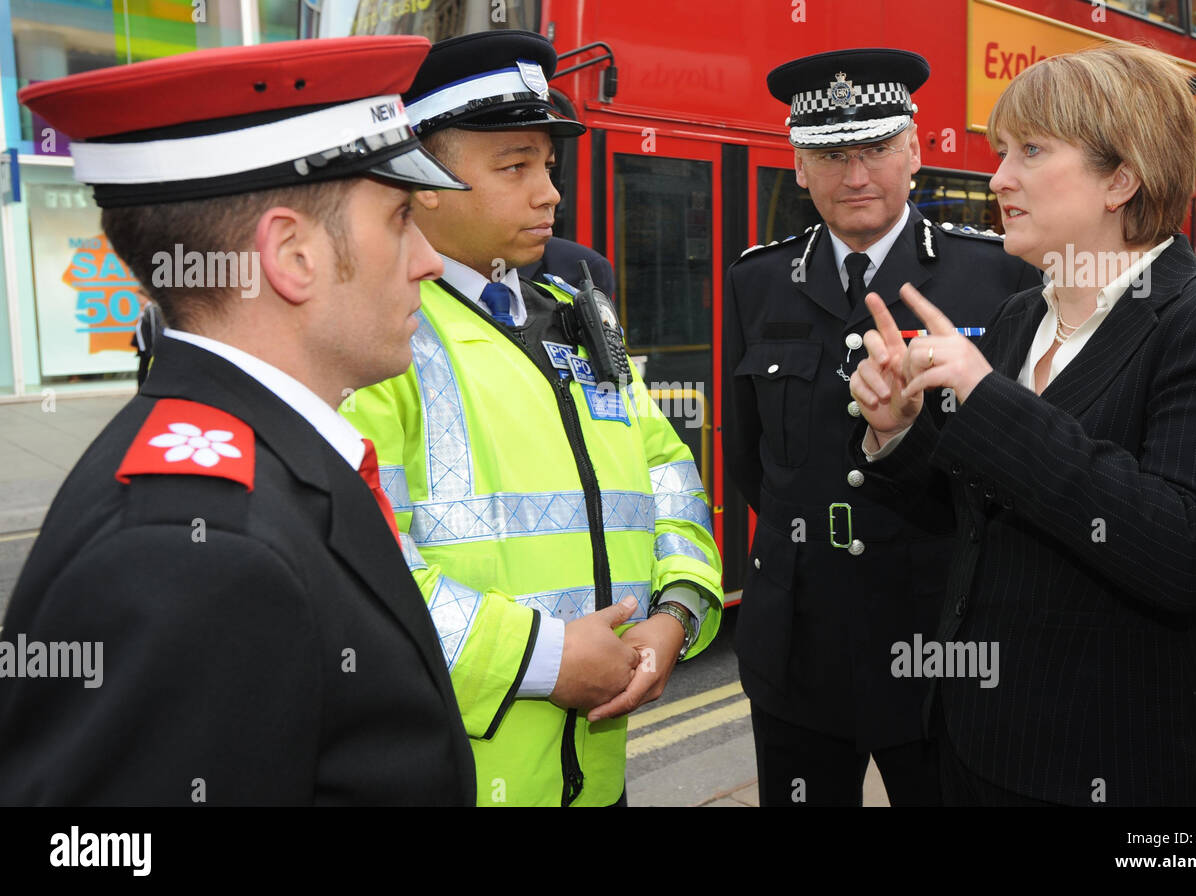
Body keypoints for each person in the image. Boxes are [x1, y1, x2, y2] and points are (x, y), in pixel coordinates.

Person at [0, 36, 478, 806]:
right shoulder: (200, 555)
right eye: (398, 218)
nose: (426, 258)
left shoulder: (262, 471)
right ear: (292, 256)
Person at [850, 44, 1196, 806]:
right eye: (1003, 152)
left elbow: (1188, 550)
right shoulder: (1022, 317)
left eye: (1032, 151)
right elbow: (973, 520)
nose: (998, 179)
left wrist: (990, 405)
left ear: (1121, 178)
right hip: (974, 753)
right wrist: (899, 432)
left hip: (1126, 768)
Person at [343, 30, 724, 807]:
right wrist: (543, 660)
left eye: (547, 164)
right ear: (420, 182)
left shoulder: (579, 312)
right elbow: (362, 564)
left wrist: (676, 615)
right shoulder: (378, 336)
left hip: (598, 781)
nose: (549, 192)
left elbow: (665, 469)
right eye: (513, 166)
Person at [722, 48, 1041, 807]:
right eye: (831, 155)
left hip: (937, 644)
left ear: (916, 151)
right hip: (799, 650)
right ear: (798, 165)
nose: (855, 176)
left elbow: (1019, 449)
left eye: (874, 150)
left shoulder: (997, 275)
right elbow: (749, 460)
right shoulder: (756, 280)